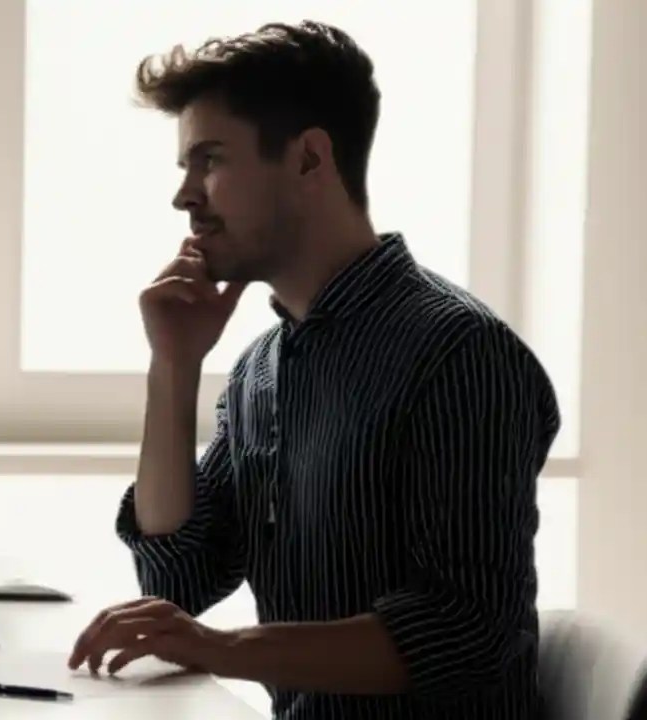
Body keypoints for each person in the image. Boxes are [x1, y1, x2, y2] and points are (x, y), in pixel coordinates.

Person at [66, 19, 560, 719]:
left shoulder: (460, 354)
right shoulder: (260, 370)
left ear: (308, 159)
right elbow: (178, 577)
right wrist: (173, 366)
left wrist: (225, 648)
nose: (184, 196)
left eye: (208, 160)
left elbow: (464, 630)